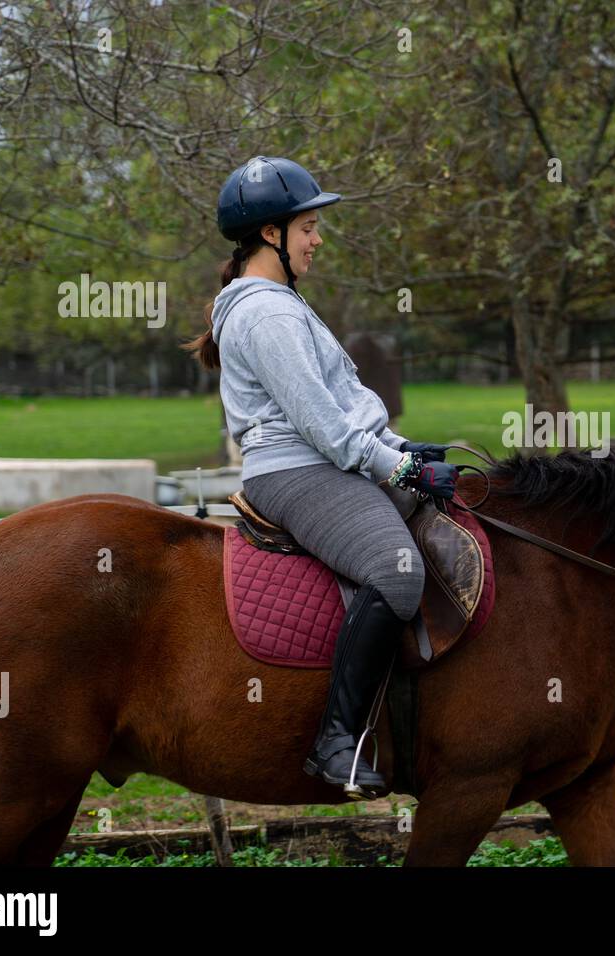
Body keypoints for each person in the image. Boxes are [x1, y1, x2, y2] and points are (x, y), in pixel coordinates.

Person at [184, 155, 459, 799]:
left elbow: (348, 411)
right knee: (396, 570)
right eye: (308, 226)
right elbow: (325, 431)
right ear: (272, 235)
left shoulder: (282, 304)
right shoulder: (269, 315)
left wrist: (404, 449)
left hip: (326, 459)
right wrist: (404, 468)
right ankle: (338, 740)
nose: (318, 239)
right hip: (298, 473)